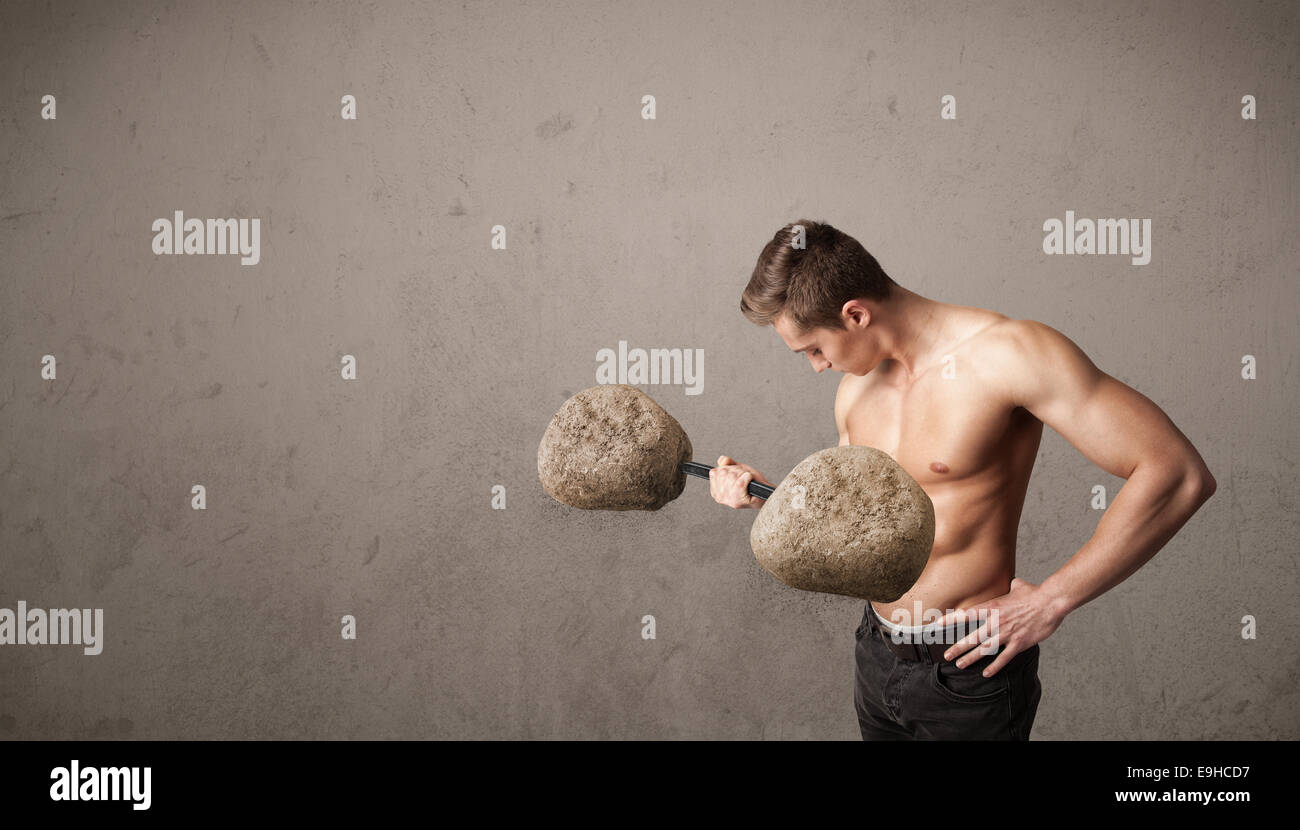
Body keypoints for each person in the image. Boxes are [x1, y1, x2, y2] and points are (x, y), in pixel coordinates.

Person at [709, 220, 1216, 740]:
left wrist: (1052, 599)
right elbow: (855, 528)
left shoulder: (1009, 353)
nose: (818, 367)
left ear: (855, 314)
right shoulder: (856, 391)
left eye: (813, 349)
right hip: (876, 654)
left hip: (969, 669)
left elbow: (1174, 472)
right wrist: (769, 499)